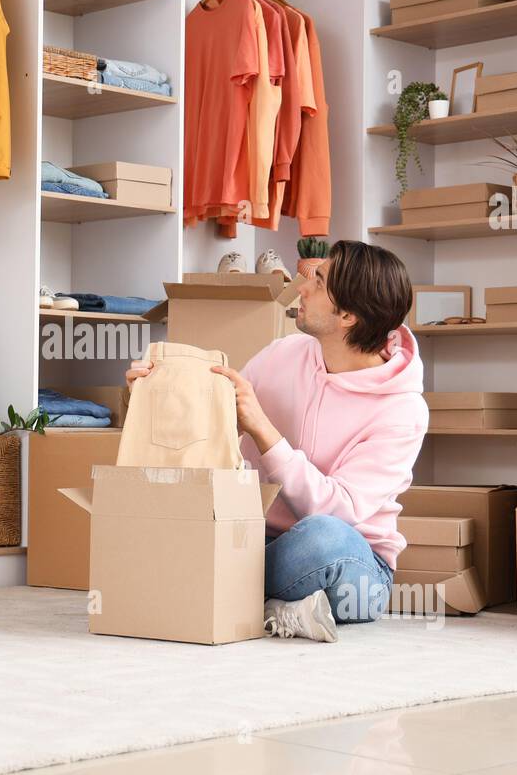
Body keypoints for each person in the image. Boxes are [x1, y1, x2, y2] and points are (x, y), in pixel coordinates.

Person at [125, 241, 426, 642]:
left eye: (318, 283)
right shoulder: (284, 353)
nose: (301, 287)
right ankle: (268, 603)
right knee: (175, 527)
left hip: (351, 564)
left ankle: (216, 586)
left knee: (322, 536)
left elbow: (341, 511)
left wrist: (264, 431)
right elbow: (215, 429)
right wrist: (148, 394)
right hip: (254, 539)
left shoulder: (401, 410)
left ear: (348, 316)